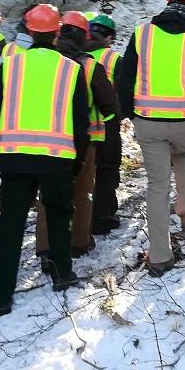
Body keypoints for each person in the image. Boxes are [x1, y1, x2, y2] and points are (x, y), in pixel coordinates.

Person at [0, 5, 91, 314]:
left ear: (29, 32)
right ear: (57, 32)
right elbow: (80, 122)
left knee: (11, 225)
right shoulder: (71, 69)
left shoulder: (11, 66)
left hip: (14, 159)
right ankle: (61, 273)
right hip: (57, 159)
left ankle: (1, 295)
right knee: (58, 214)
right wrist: (78, 159)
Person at [113, 0, 185, 275]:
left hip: (147, 121)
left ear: (167, 1)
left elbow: (124, 78)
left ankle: (159, 256)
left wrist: (132, 112)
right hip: (183, 119)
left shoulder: (142, 33)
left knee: (157, 186)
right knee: (183, 155)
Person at [35, 12, 117, 260]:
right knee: (83, 192)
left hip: (47, 136)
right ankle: (79, 241)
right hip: (86, 138)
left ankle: (45, 246)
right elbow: (109, 104)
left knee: (47, 194)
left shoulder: (39, 60)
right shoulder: (89, 65)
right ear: (83, 36)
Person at [85, 14, 124, 235]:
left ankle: (80, 217)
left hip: (75, 124)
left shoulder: (71, 53)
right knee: (107, 170)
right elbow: (123, 89)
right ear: (109, 37)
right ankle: (103, 215)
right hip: (106, 123)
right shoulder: (113, 58)